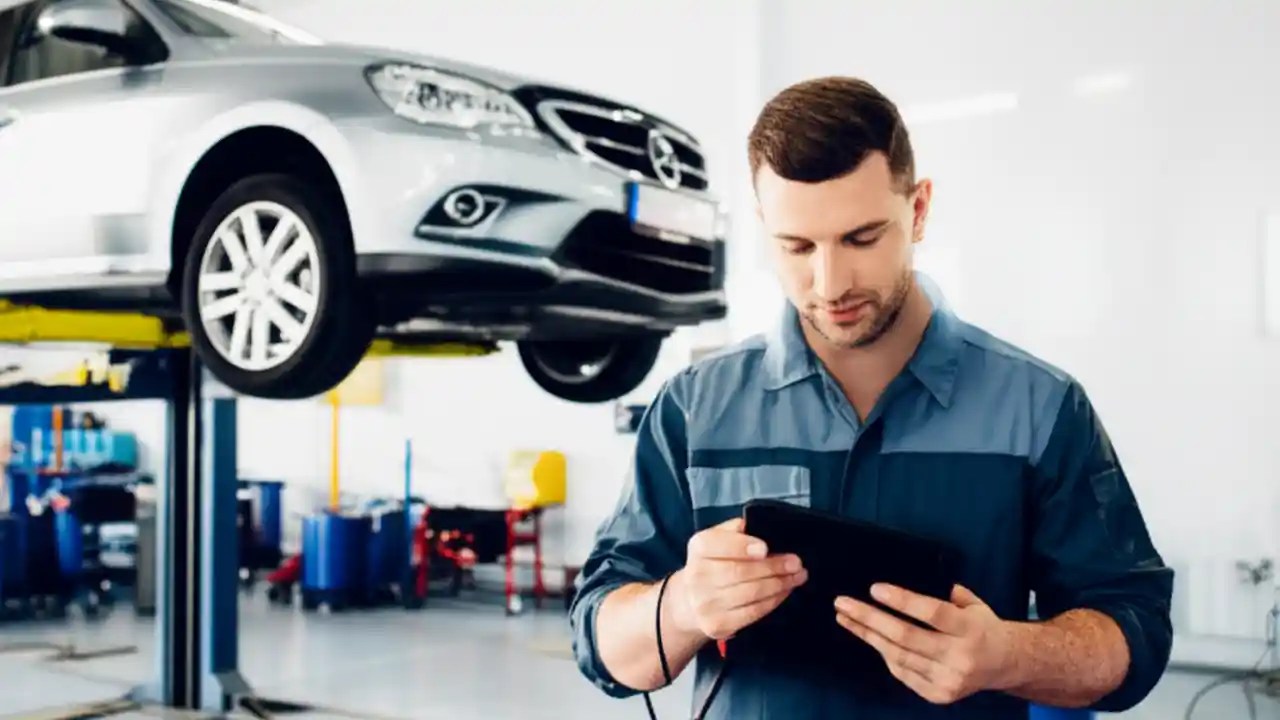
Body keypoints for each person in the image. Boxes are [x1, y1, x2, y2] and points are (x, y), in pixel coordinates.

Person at [568, 76, 1174, 719]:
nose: (830, 283)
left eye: (862, 238)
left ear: (918, 211)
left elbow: (1134, 632)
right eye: (797, 246)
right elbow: (603, 645)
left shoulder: (1040, 409)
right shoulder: (694, 410)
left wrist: (1007, 655)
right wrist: (686, 603)